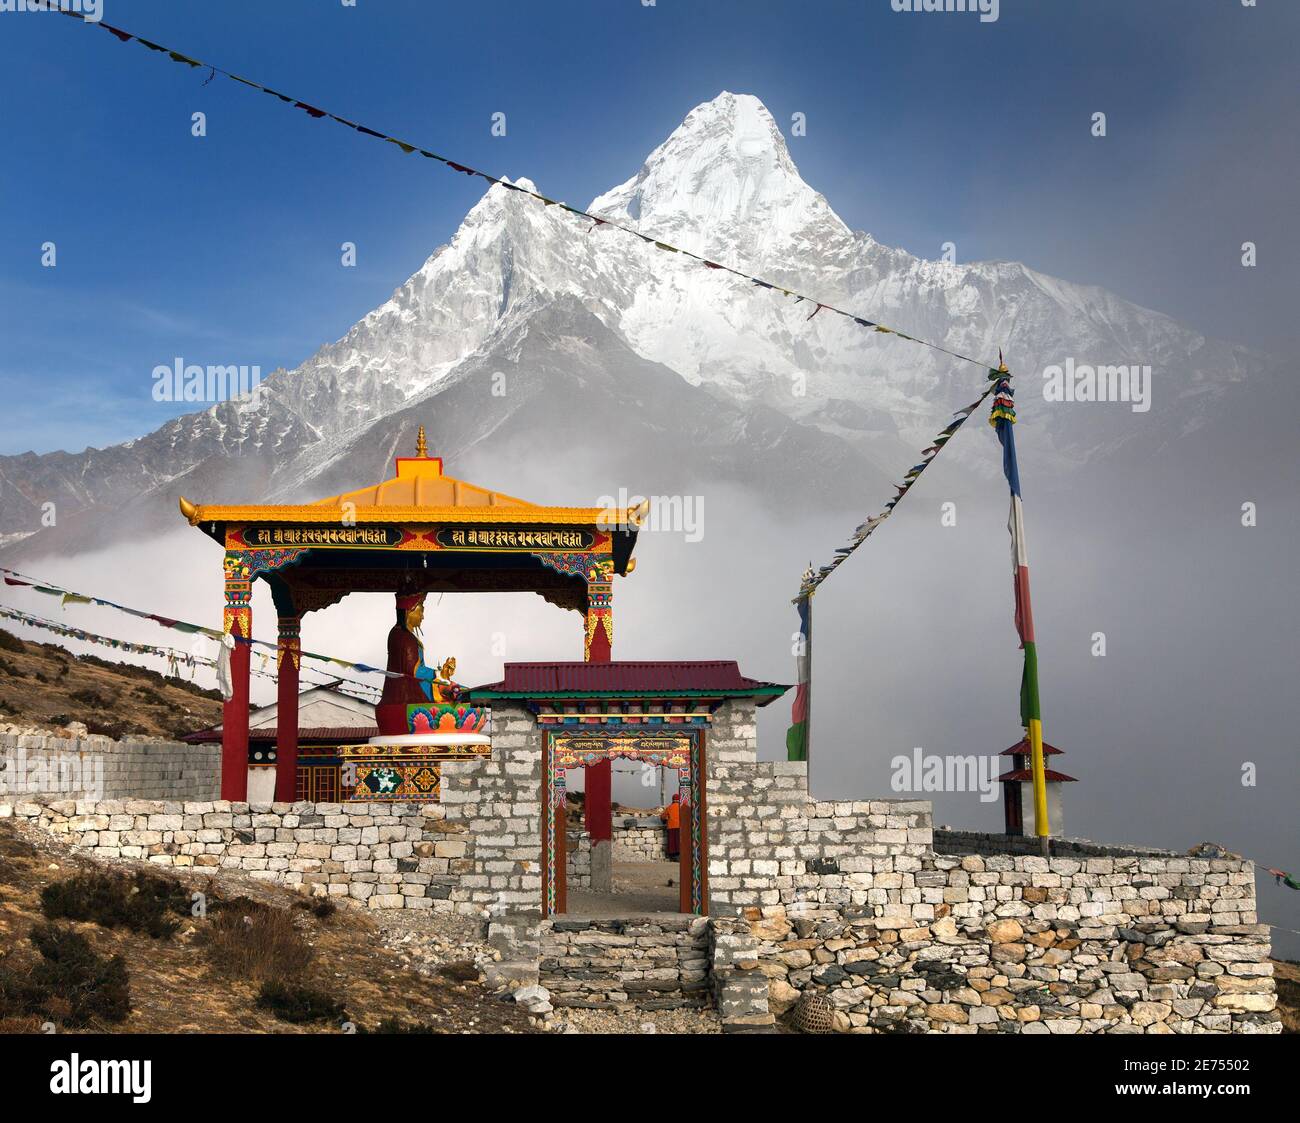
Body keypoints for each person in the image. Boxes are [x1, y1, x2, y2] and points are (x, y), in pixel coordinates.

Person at [661, 792, 682, 860]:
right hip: (680, 827)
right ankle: (679, 855)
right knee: (679, 841)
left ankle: (673, 856)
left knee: (672, 842)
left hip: (671, 827)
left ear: (672, 799)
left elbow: (663, 817)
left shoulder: (669, 807)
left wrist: (665, 820)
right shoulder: (682, 807)